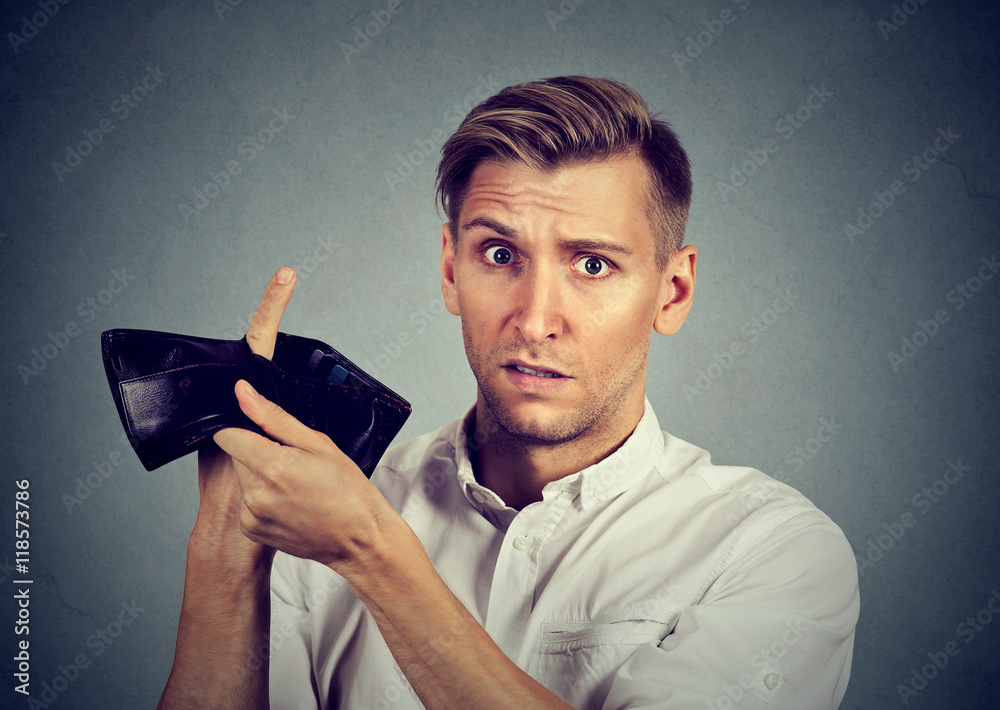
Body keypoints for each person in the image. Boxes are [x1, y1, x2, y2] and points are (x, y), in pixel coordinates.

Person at [157, 76, 859, 710]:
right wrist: (226, 548)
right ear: (449, 269)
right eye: (500, 255)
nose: (534, 319)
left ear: (671, 292)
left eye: (592, 263)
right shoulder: (316, 513)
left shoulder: (772, 551)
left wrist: (373, 553)